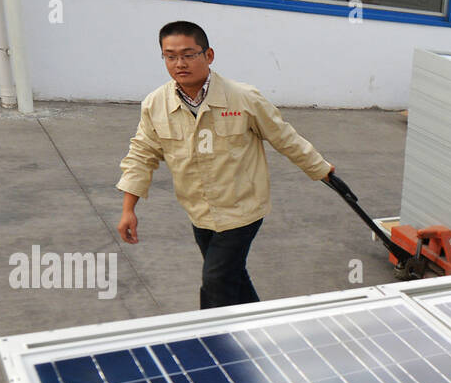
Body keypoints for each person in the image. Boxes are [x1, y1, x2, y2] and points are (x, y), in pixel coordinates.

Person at [116, 21, 335, 308]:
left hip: (243, 209)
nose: (179, 63)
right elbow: (142, 154)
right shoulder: (156, 104)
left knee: (216, 282)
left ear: (209, 56)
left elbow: (283, 137)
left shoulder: (242, 98)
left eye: (188, 54)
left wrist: (321, 169)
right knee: (231, 276)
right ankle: (259, 324)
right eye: (170, 56)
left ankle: (210, 342)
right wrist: (128, 209)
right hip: (199, 211)